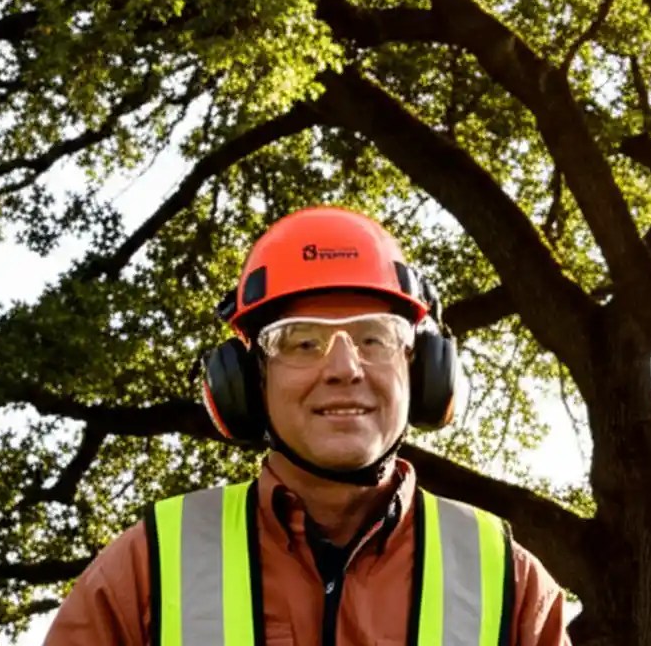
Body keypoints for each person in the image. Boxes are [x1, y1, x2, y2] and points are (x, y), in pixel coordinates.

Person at [43, 205, 572, 645]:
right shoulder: (145, 571)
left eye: (374, 338)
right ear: (248, 383)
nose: (344, 369)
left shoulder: (509, 583)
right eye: (302, 342)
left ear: (424, 371)